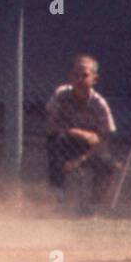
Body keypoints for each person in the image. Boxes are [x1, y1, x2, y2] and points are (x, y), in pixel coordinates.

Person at [44, 55, 117, 213]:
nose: (79, 79)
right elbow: (51, 125)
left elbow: (104, 137)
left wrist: (83, 156)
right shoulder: (61, 95)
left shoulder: (99, 104)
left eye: (84, 75)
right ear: (70, 76)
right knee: (56, 141)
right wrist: (78, 132)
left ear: (94, 79)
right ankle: (58, 196)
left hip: (91, 149)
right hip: (66, 144)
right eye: (75, 75)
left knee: (108, 164)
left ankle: (95, 206)